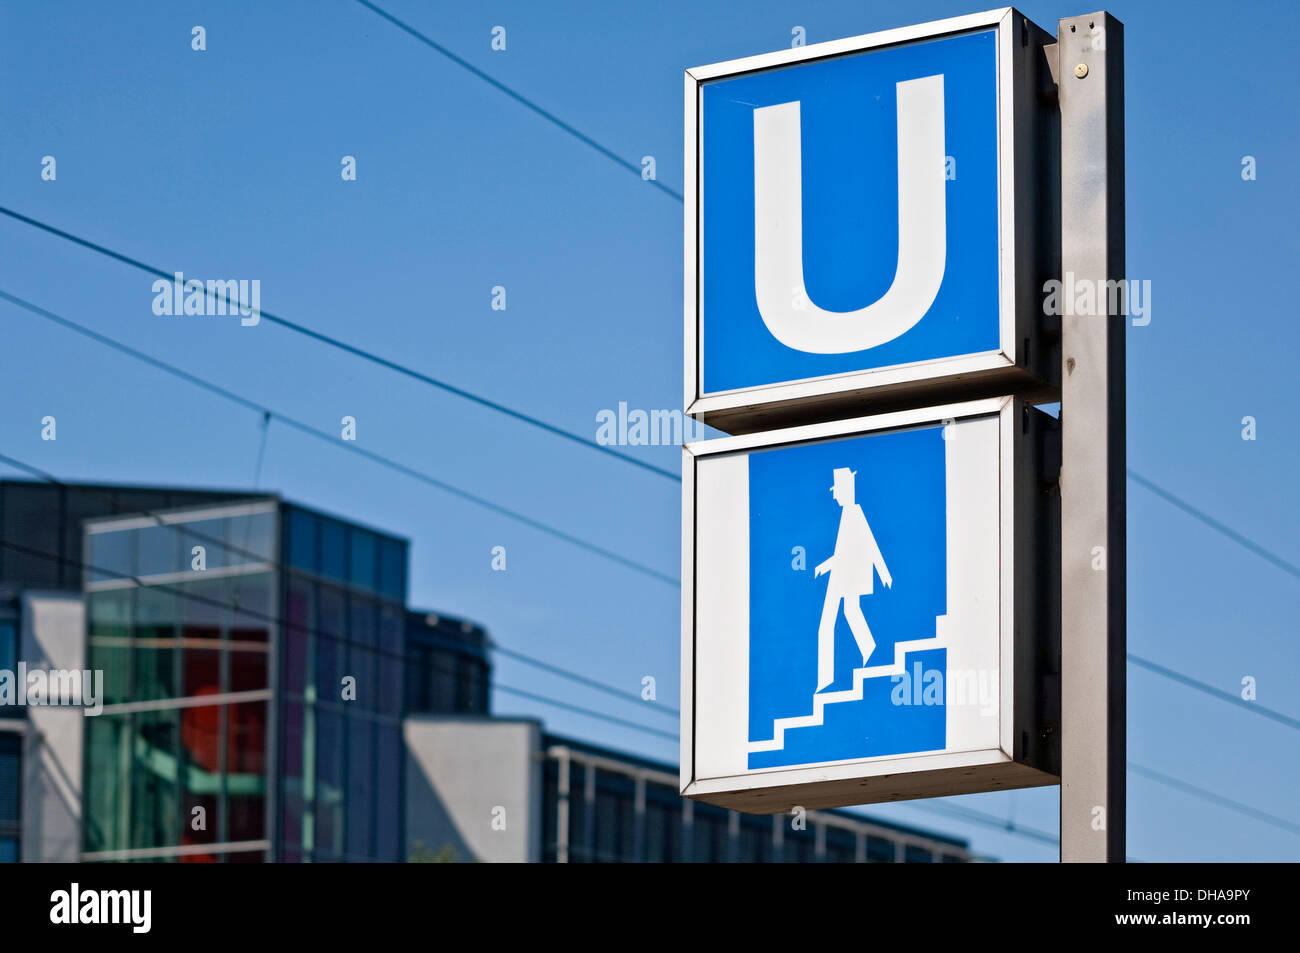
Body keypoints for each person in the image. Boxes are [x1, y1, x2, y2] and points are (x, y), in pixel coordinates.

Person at [813, 467, 892, 692]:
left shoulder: (854, 512)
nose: (834, 495)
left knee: (828, 623)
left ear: (845, 490)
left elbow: (870, 543)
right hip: (843, 574)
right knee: (846, 613)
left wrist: (884, 572)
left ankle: (830, 676)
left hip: (847, 576)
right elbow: (843, 552)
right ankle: (869, 651)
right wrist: (824, 566)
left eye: (837, 490)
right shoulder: (848, 514)